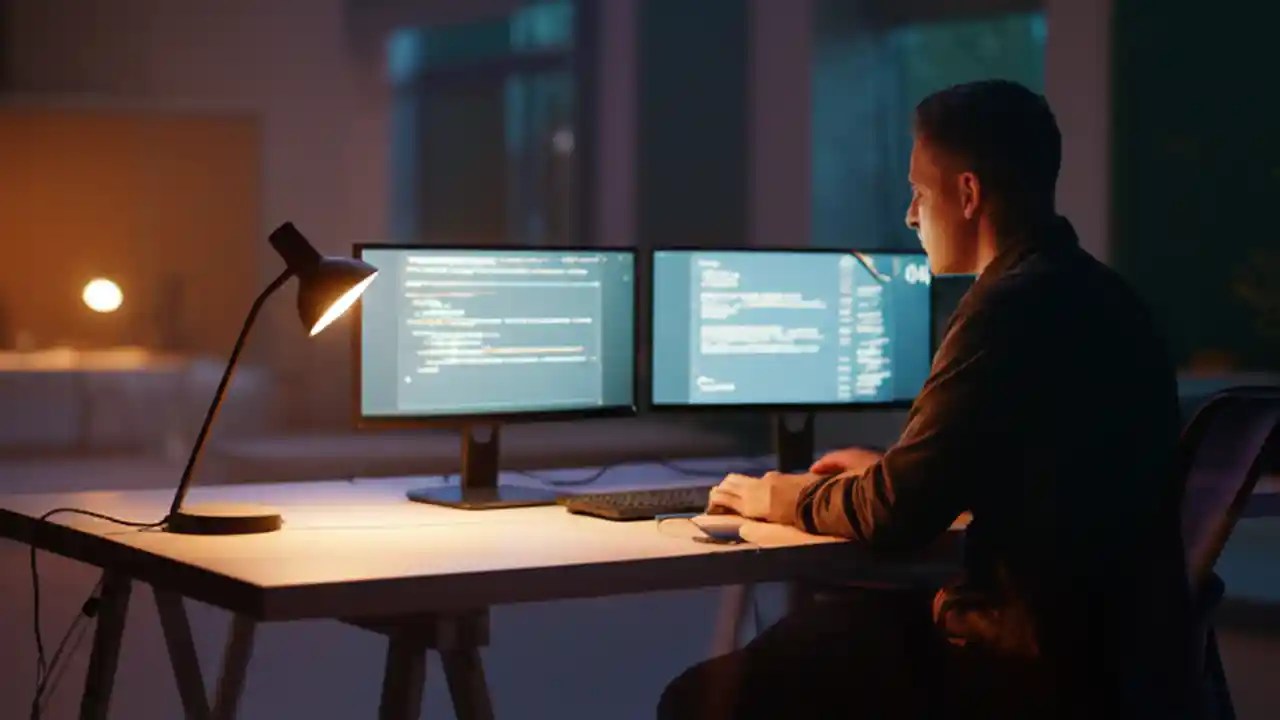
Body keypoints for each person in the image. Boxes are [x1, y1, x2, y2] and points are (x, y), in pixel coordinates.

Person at [658, 80, 1196, 719]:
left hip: (1022, 656)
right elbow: (1046, 473)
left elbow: (895, 515)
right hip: (1116, 656)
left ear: (967, 194)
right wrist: (891, 469)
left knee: (700, 699)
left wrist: (775, 493)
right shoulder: (1106, 296)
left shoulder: (1005, 310)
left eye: (919, 192)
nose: (912, 215)